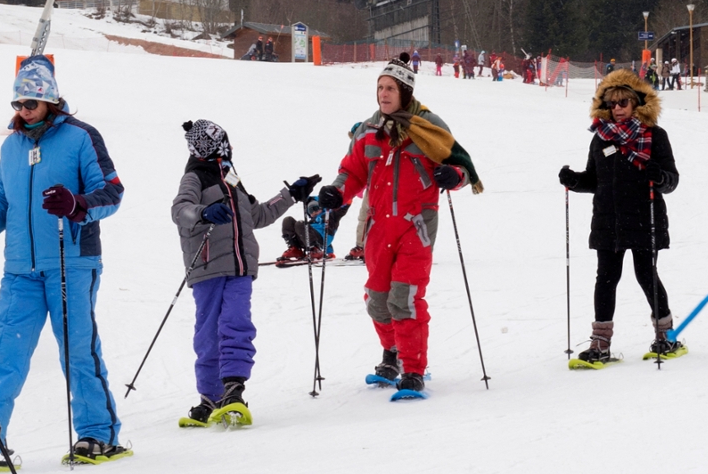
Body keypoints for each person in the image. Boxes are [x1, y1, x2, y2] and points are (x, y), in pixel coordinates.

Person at [0, 54, 128, 465]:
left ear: (50, 102)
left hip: (70, 262)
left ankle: (99, 433)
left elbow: (112, 193)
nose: (23, 112)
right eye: (17, 105)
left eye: (30, 104)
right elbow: (2, 201)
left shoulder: (81, 138)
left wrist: (77, 204)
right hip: (20, 269)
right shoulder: (10, 147)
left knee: (77, 350)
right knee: (3, 354)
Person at [317, 55, 479, 398]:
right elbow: (353, 172)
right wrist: (337, 191)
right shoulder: (368, 130)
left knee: (404, 298)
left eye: (390, 88)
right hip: (378, 228)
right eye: (379, 88)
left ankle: (413, 369)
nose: (383, 94)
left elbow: (460, 164)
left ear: (405, 91)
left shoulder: (429, 126)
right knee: (377, 300)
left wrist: (455, 176)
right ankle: (391, 355)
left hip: (416, 225)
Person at [171, 120, 308, 427]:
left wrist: (290, 195)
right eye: (219, 144)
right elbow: (180, 210)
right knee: (207, 331)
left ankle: (233, 387)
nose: (225, 148)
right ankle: (210, 396)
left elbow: (256, 214)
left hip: (239, 268)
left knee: (236, 322)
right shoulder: (195, 177)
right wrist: (204, 212)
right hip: (207, 266)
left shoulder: (231, 177)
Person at [559, 69, 681, 367]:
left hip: (644, 216)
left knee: (645, 275)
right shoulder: (600, 139)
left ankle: (666, 336)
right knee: (606, 278)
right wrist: (575, 180)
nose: (618, 107)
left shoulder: (655, 135)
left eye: (624, 101)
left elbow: (672, 180)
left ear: (637, 102)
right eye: (612, 103)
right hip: (608, 220)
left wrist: (659, 175)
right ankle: (600, 343)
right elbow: (594, 179)